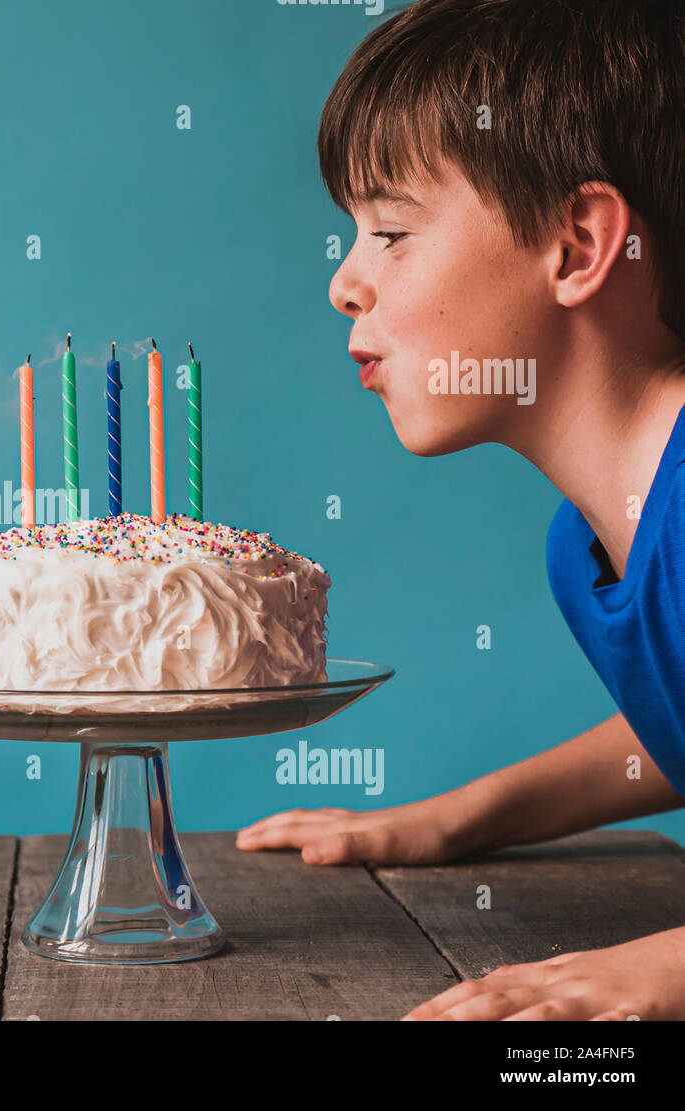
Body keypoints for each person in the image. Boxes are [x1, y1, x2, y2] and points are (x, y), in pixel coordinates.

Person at [239, 0, 685, 1020]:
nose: (344, 283)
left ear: (579, 245)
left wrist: (661, 969)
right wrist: (452, 820)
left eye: (390, 232)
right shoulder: (586, 542)